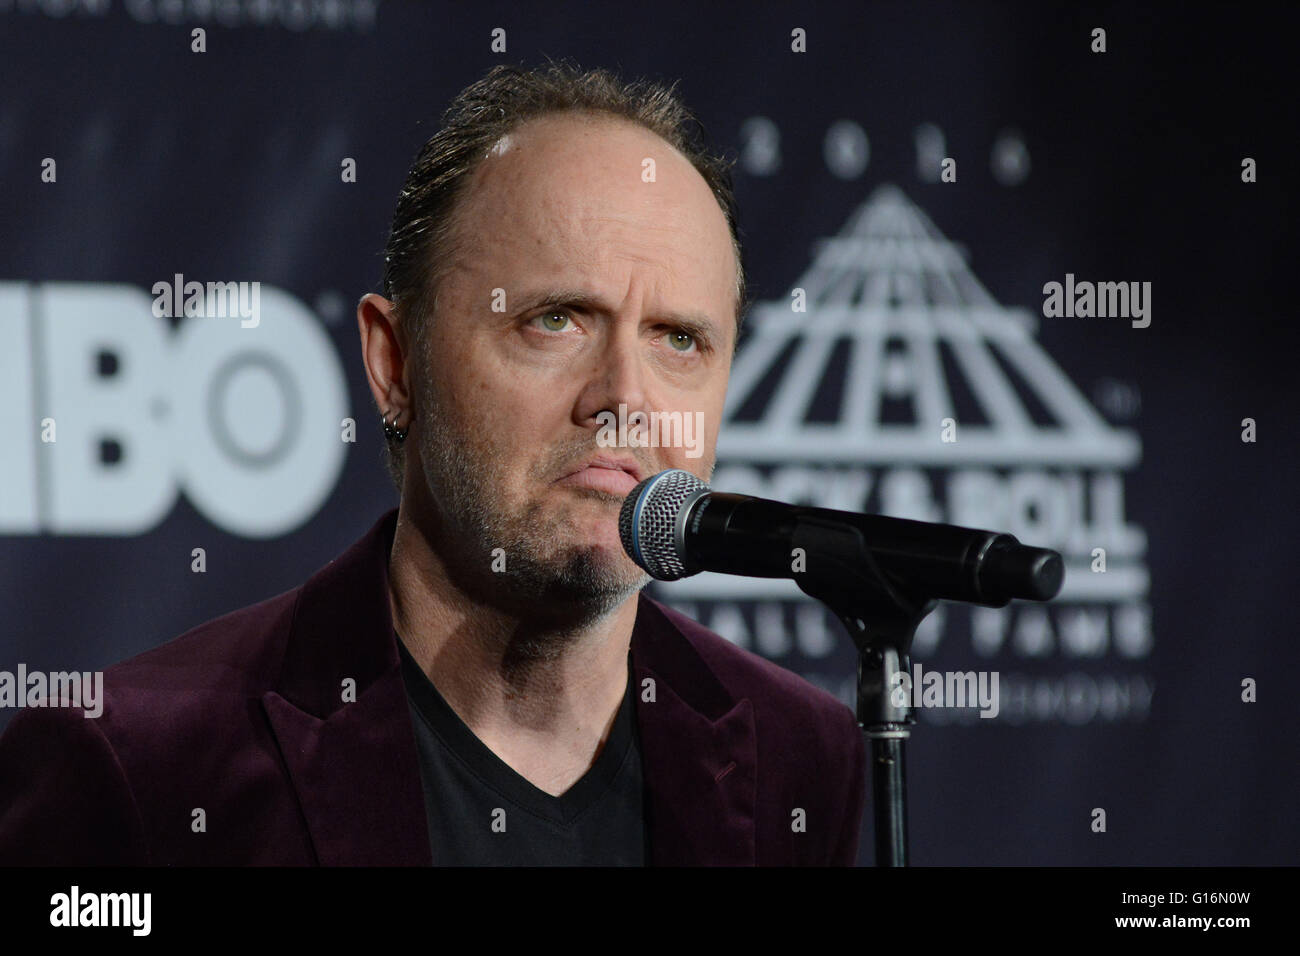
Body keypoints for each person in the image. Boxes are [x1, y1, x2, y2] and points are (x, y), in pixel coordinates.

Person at [0, 59, 866, 866]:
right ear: (395, 364)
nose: (624, 397)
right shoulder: (138, 763)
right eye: (555, 320)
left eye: (679, 340)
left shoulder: (798, 757)